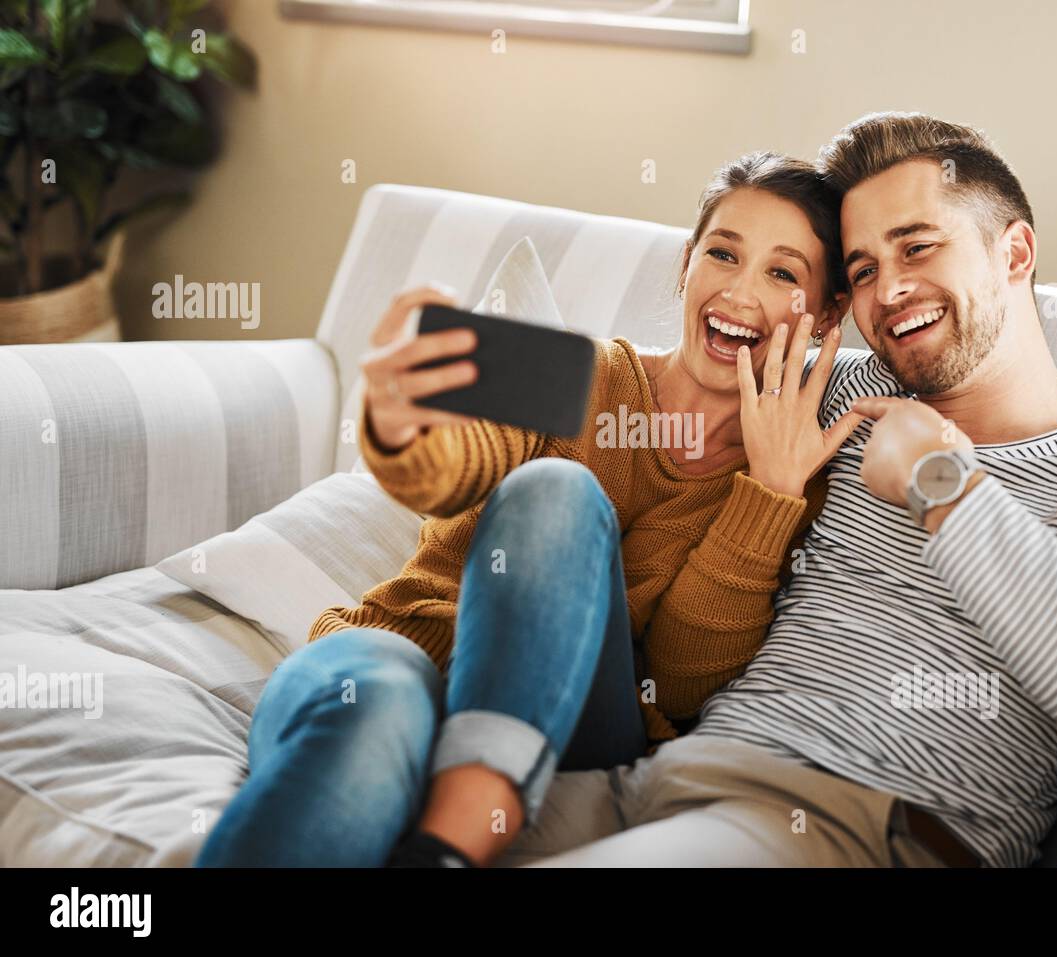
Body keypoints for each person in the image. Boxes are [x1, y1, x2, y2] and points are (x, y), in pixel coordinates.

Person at [492, 112, 1057, 869]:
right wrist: (464, 375)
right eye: (864, 268)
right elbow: (654, 388)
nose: (892, 290)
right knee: (395, 816)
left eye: (917, 246)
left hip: (850, 820)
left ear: (1015, 251)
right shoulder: (832, 399)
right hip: (658, 780)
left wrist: (945, 484)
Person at [194, 151, 871, 868]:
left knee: (560, 493)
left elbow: (676, 683)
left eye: (782, 273)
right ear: (686, 264)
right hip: (396, 654)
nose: (738, 289)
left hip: (572, 723)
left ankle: (455, 830)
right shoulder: (569, 368)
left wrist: (766, 495)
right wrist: (401, 426)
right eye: (722, 253)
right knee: (382, 697)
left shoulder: (794, 479)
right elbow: (458, 459)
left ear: (828, 313)